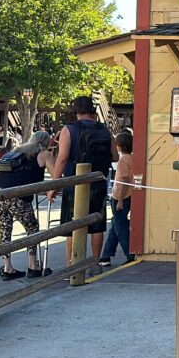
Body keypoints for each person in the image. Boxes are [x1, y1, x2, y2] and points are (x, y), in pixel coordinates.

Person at [47, 96, 117, 275]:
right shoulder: (104, 129)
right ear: (92, 109)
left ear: (75, 110)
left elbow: (62, 158)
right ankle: (95, 263)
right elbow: (115, 156)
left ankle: (72, 265)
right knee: (97, 224)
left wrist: (55, 184)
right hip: (98, 182)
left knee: (72, 225)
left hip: (75, 183)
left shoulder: (69, 129)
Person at [0, 131, 53, 280]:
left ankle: (7, 267)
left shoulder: (17, 151)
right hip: (18, 194)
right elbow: (56, 175)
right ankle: (33, 265)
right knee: (32, 227)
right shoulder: (44, 154)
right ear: (47, 142)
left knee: (5, 228)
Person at [100, 131, 135, 267]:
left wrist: (120, 201)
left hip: (120, 196)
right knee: (115, 224)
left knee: (121, 227)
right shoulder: (132, 158)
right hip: (129, 195)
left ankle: (129, 253)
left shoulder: (122, 161)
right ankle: (106, 255)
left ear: (119, 146)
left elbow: (124, 180)